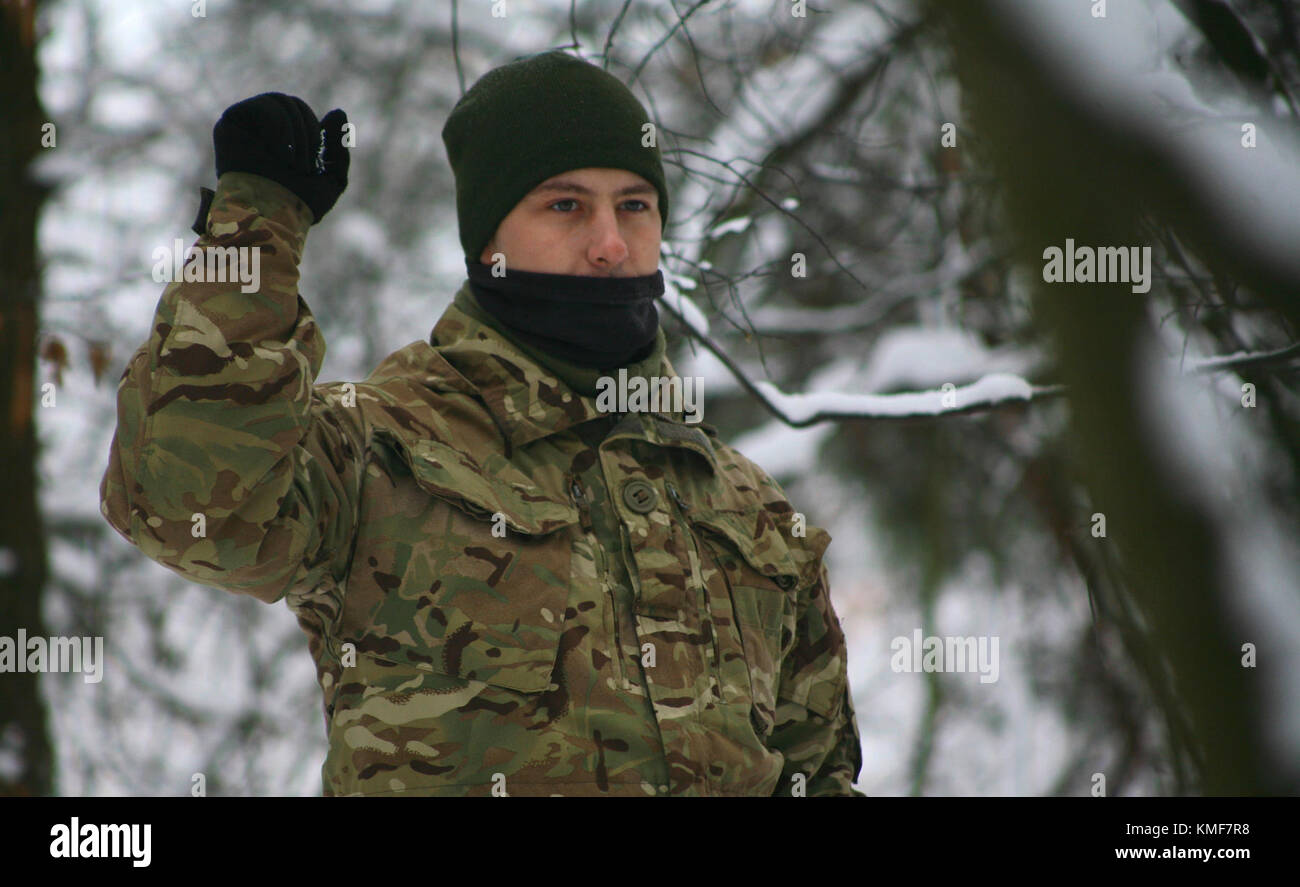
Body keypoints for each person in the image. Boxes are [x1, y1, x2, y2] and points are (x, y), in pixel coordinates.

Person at [100, 50, 863, 797]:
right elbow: (186, 506)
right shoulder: (380, 445)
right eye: (565, 205)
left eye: (635, 205)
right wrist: (257, 227)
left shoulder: (743, 505)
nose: (609, 243)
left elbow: (818, 773)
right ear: (488, 241)